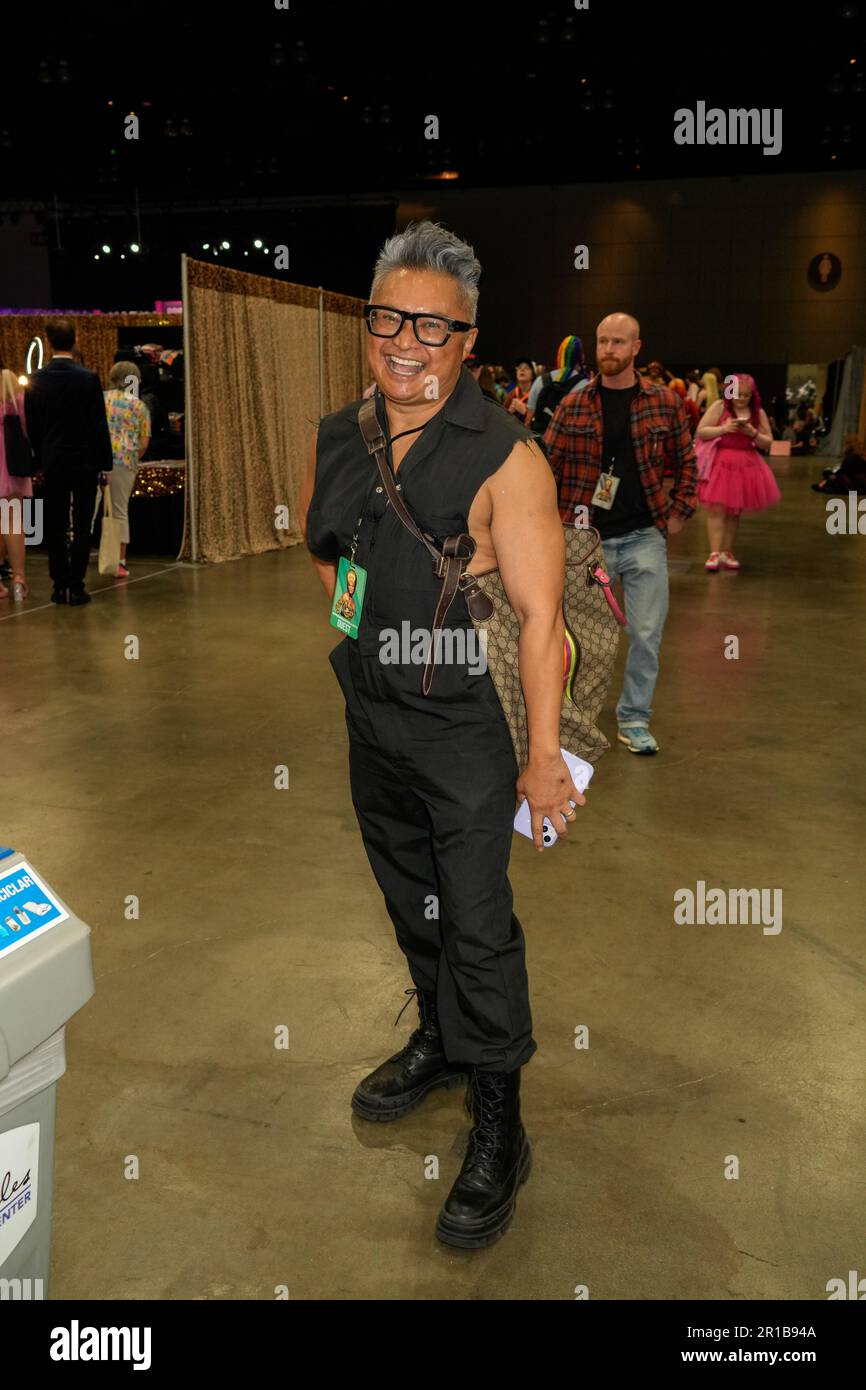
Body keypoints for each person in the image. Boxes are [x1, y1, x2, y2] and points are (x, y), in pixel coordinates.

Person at [299, 220, 583, 1249]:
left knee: (474, 917)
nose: (404, 342)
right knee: (405, 896)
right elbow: (329, 553)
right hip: (368, 712)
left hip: (464, 727)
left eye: (431, 325)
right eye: (387, 318)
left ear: (466, 337)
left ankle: (499, 1118)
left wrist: (542, 759)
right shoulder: (341, 432)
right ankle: (439, 1038)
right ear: (366, 322)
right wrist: (363, 628)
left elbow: (545, 623)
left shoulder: (505, 453)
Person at [543, 311, 697, 756]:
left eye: (617, 342)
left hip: (644, 535)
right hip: (585, 541)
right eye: (602, 341)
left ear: (636, 348)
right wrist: (549, 523)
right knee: (581, 638)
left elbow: (686, 460)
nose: (607, 350)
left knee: (646, 634)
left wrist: (680, 511)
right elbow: (542, 465)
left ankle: (633, 718)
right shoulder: (574, 403)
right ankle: (574, 719)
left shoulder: (664, 402)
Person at [24, 318, 113, 605]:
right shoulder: (88, 378)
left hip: (53, 461)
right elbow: (99, 426)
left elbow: (32, 426)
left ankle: (58, 583)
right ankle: (76, 585)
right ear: (75, 340)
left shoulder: (37, 380)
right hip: (85, 461)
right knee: (82, 522)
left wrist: (38, 458)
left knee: (56, 523)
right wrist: (104, 464)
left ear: (48, 343)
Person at [695, 372, 779, 571]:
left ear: (752, 395)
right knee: (716, 510)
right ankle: (714, 552)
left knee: (734, 512)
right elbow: (701, 431)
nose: (741, 399)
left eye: (746, 395)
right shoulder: (719, 407)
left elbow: (768, 443)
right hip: (720, 463)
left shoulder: (758, 413)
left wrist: (753, 433)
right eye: (738, 394)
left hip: (746, 465)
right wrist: (723, 429)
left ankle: (727, 551)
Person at [100, 361, 151, 577]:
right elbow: (144, 442)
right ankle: (119, 562)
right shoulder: (139, 406)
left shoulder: (99, 399)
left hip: (96, 461)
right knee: (120, 511)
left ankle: (79, 556)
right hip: (124, 462)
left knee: (88, 511)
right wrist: (131, 457)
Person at [0, 366, 33, 602]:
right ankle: (19, 579)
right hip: (10, 461)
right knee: (12, 520)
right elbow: (26, 425)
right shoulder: (9, 384)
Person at [526, 334, 589, 435]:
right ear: (581, 357)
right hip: (567, 446)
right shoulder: (585, 386)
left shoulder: (540, 381)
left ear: (559, 355)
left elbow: (528, 421)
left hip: (540, 445)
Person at [503, 357, 536, 425]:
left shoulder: (536, 394)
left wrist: (525, 412)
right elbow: (501, 419)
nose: (522, 370)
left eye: (526, 368)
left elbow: (540, 422)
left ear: (533, 375)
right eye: (519, 368)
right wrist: (509, 412)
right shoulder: (511, 394)